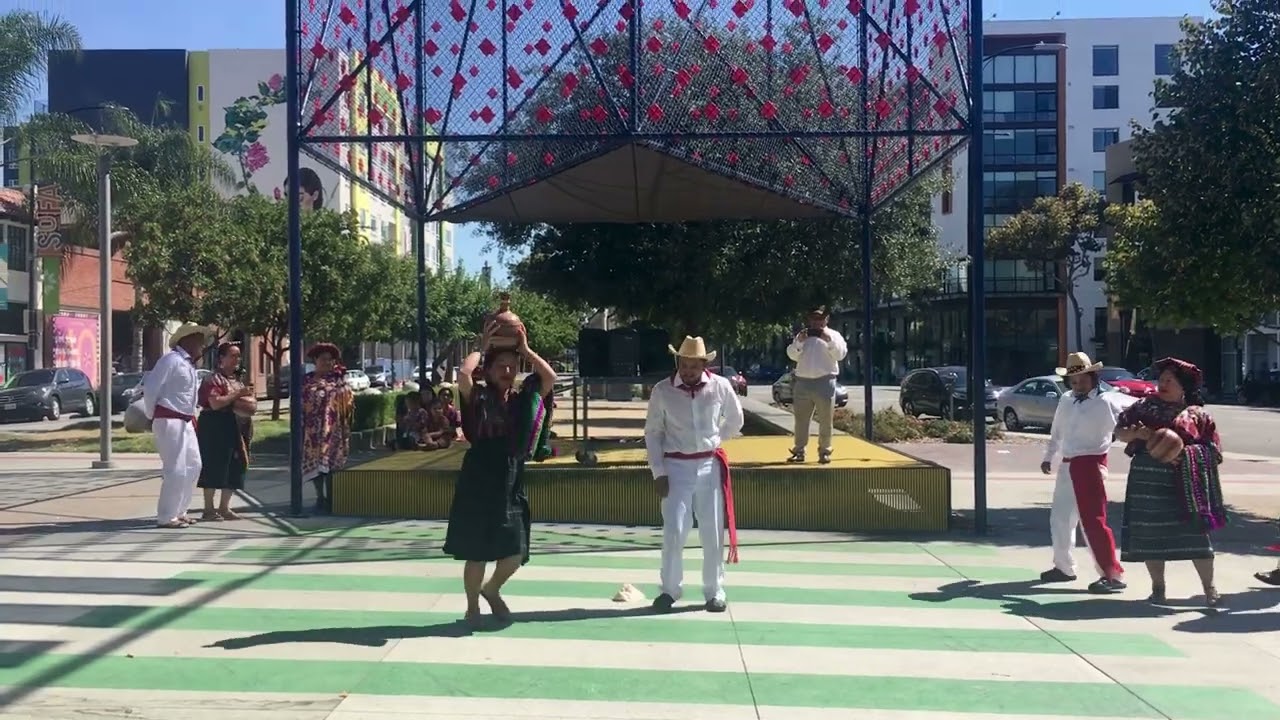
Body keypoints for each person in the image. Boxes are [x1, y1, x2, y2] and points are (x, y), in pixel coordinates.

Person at [443, 321, 557, 624]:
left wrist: (525, 350)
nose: (507, 372)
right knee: (476, 551)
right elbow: (464, 374)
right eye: (501, 367)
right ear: (489, 371)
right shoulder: (476, 397)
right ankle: (472, 607)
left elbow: (550, 377)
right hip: (479, 473)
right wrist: (482, 347)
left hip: (510, 474)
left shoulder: (524, 400)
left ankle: (491, 590)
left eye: (511, 367)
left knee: (516, 550)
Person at [645, 335, 745, 613]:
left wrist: (716, 440)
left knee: (712, 531)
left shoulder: (720, 387)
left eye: (693, 365)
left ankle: (715, 591)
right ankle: (669, 590)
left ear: (703, 364)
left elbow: (736, 419)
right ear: (677, 362)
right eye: (683, 365)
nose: (688, 371)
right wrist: (658, 472)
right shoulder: (662, 391)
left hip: (708, 465)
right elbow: (653, 432)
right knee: (675, 530)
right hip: (675, 466)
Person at [1115, 357, 1226, 607]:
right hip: (1147, 483)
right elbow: (1119, 431)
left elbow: (1214, 451)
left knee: (1197, 538)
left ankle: (1210, 589)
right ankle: (1158, 587)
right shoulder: (1142, 407)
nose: (1162, 384)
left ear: (1183, 387)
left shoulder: (1198, 416)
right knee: (1150, 535)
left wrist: (1182, 453)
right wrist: (1135, 433)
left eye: (1169, 380)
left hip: (1186, 487)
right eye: (1161, 379)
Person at [1038, 352, 1126, 593]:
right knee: (1060, 518)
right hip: (1068, 463)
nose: (1078, 385)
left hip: (1090, 463)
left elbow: (1131, 418)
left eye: (1082, 379)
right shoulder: (1066, 399)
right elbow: (1057, 431)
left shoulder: (1107, 401)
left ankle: (1112, 575)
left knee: (1093, 522)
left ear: (1093, 377)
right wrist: (1049, 456)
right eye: (1073, 381)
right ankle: (1063, 567)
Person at [144, 323, 210, 529]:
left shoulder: (189, 365)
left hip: (187, 421)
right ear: (187, 340)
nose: (202, 345)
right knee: (176, 469)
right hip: (169, 420)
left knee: (194, 465)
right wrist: (152, 415)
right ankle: (166, 516)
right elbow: (151, 388)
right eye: (199, 340)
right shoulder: (170, 361)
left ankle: (180, 511)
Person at [196, 342, 256, 521]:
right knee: (214, 465)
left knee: (235, 466)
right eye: (233, 355)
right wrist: (237, 396)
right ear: (221, 358)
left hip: (236, 426)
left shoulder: (237, 381)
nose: (237, 359)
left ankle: (224, 507)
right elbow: (215, 403)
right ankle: (208, 509)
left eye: (238, 356)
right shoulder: (214, 379)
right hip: (215, 426)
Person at [784, 306, 848, 464]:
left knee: (826, 420)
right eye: (813, 319)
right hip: (803, 382)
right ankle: (799, 450)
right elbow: (792, 355)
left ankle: (825, 451)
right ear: (809, 319)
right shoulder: (803, 335)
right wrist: (799, 342)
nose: (816, 322)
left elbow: (840, 355)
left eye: (820, 319)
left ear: (826, 319)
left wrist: (828, 340)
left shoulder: (834, 335)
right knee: (801, 420)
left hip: (825, 381)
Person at [301, 343, 354, 514]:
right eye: (323, 359)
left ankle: (332, 499)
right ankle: (319, 497)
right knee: (316, 466)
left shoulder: (338, 380)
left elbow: (348, 402)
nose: (327, 363)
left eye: (330, 360)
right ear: (315, 360)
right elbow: (300, 402)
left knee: (331, 465)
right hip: (312, 432)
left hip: (334, 431)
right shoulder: (307, 380)